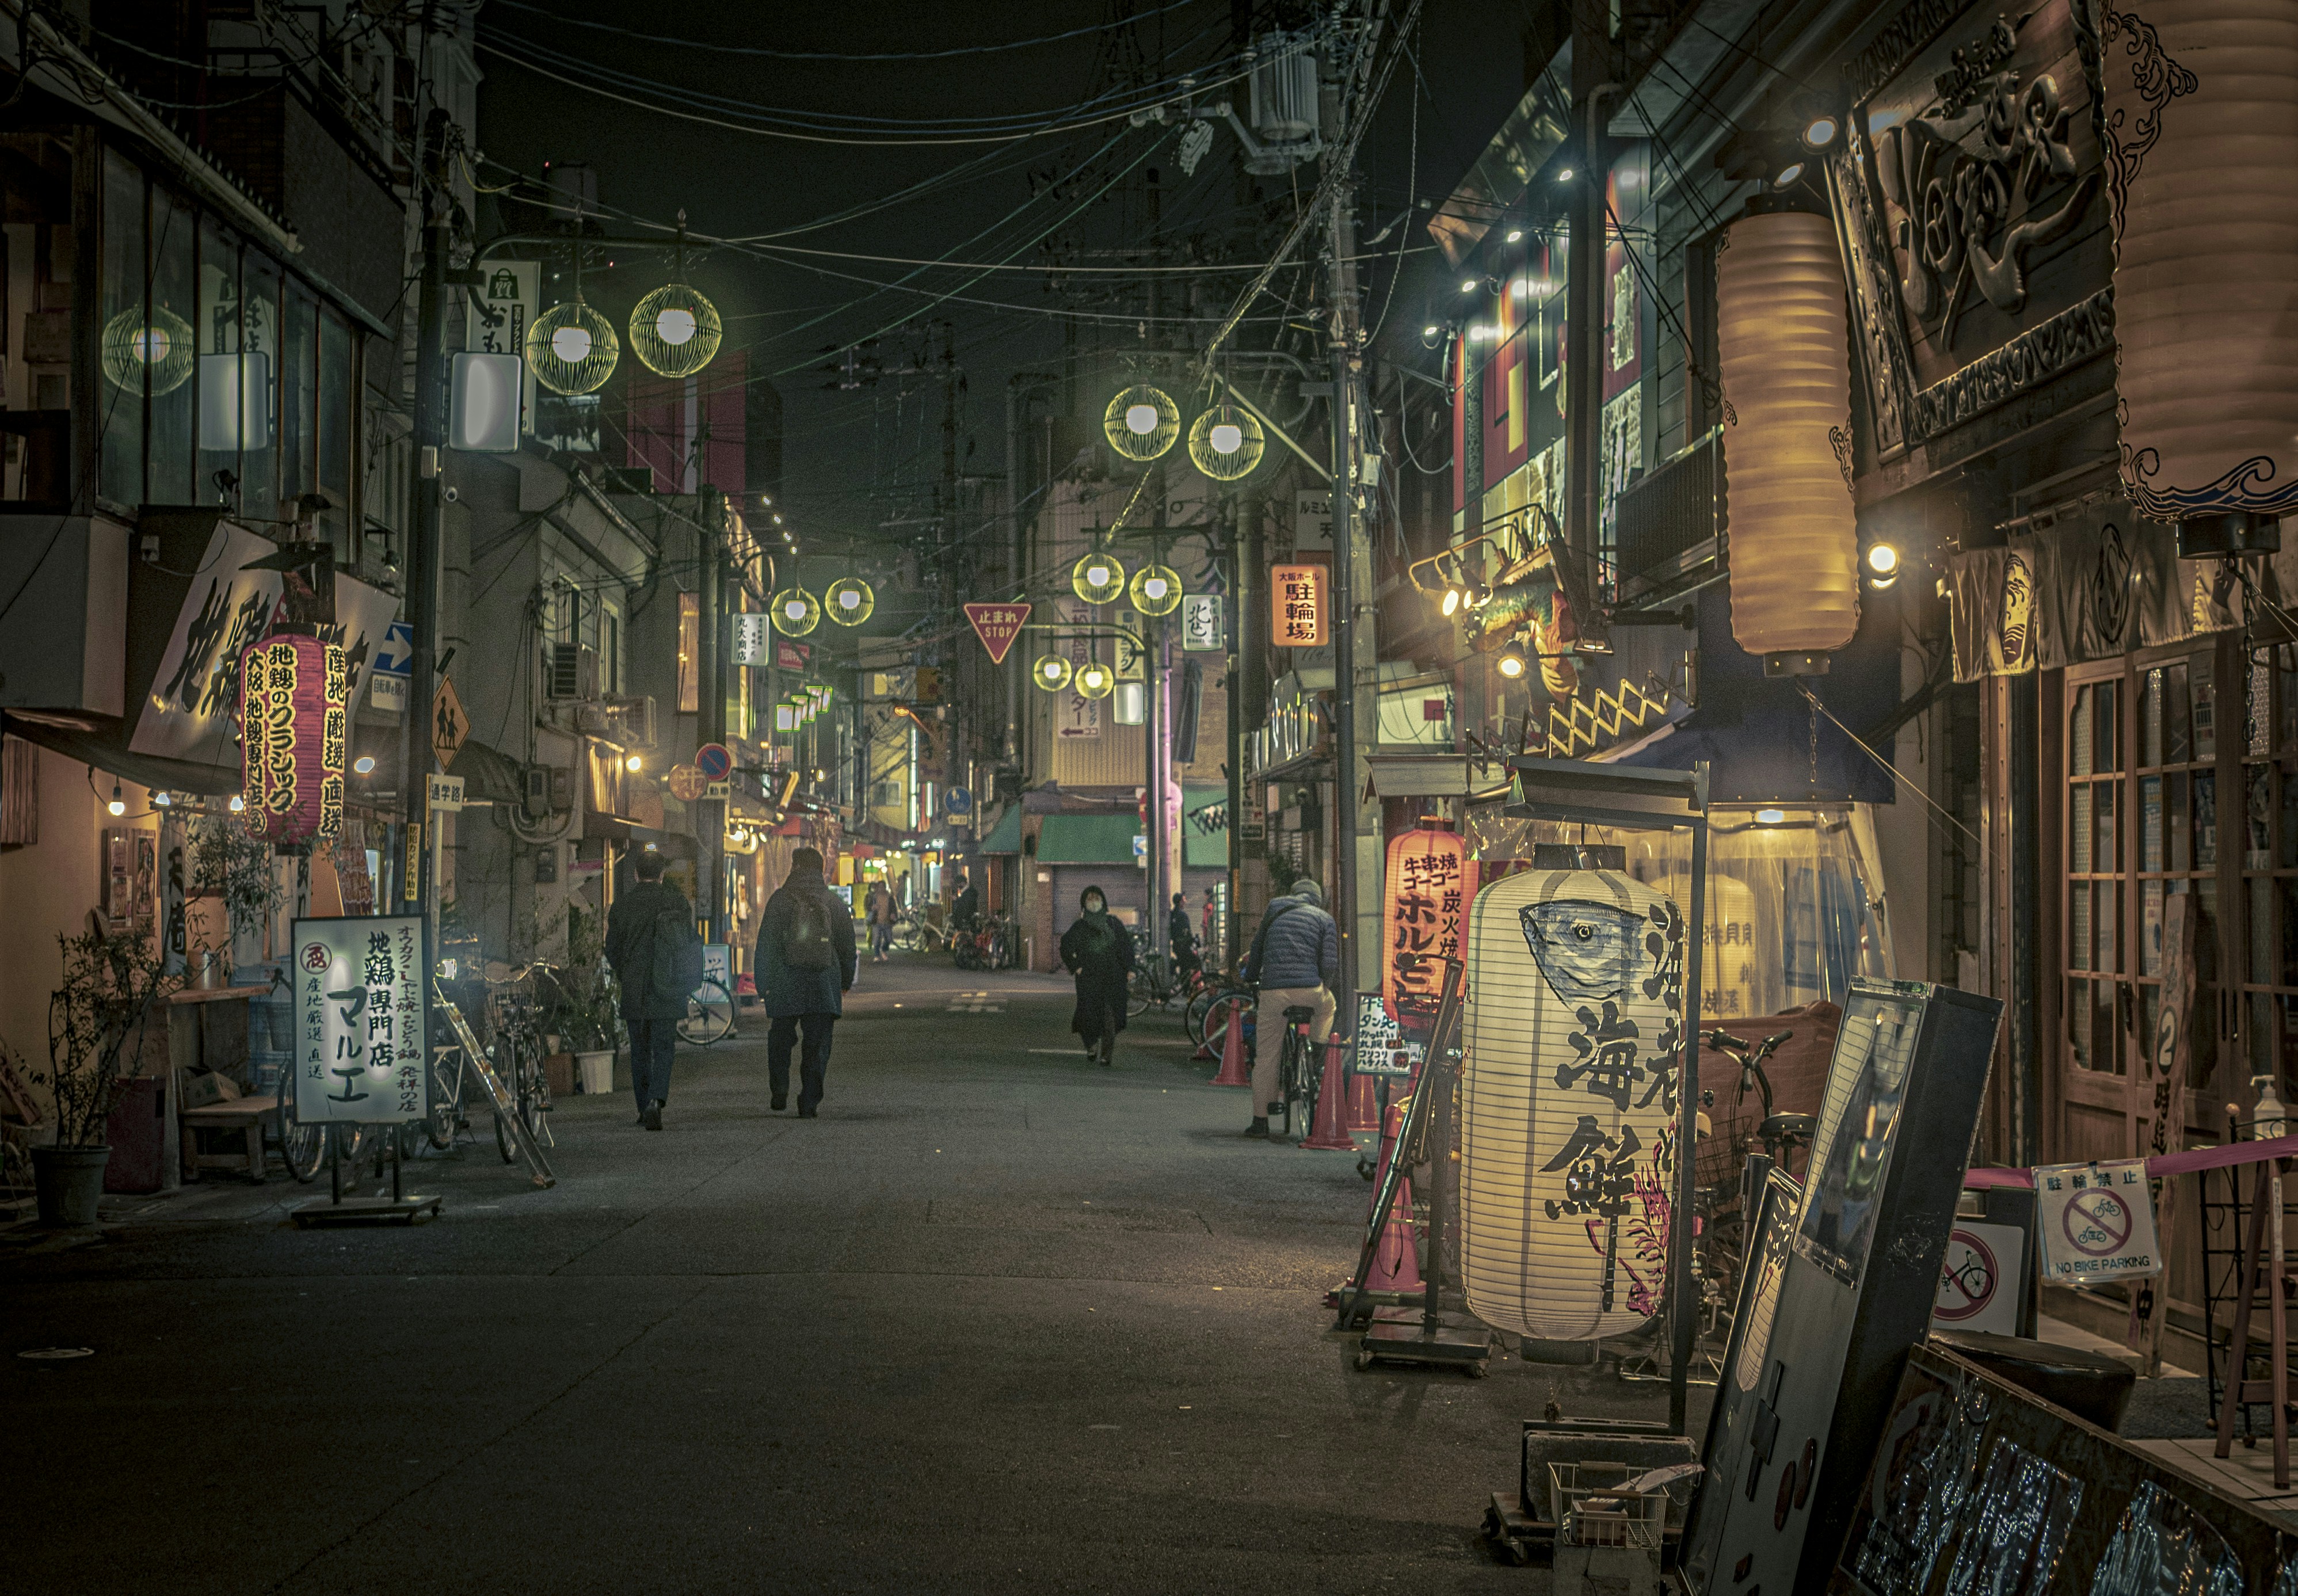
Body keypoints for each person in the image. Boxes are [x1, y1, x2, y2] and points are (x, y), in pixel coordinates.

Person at [754, 845, 858, 1117]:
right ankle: (809, 1100)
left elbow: (766, 943)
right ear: (820, 869)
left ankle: (779, 1090)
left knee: (780, 1038)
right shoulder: (833, 902)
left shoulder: (780, 900)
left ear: (795, 867)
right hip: (823, 983)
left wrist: (762, 983)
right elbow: (847, 947)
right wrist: (844, 982)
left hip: (784, 982)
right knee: (818, 1044)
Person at [1238, 876, 1339, 1140]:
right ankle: (1315, 1050)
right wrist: (1324, 986)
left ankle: (1260, 1121)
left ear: (1293, 894)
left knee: (1267, 1056)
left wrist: (1250, 977)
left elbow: (1257, 949)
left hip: (1274, 992)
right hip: (1310, 989)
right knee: (1329, 1007)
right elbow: (1329, 963)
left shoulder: (1274, 909)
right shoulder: (1324, 918)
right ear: (1318, 900)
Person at [604, 850, 698, 1132]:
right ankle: (657, 1100)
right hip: (667, 986)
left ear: (635, 874)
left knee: (639, 1051)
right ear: (662, 875)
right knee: (664, 1047)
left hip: (634, 987)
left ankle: (643, 1106)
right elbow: (688, 945)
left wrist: (625, 972)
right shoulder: (676, 902)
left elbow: (612, 949)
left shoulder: (622, 905)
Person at [1059, 886, 1133, 1066]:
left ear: (1103, 901)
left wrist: (1130, 969)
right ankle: (1091, 1045)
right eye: (1089, 899)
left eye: (1097, 898)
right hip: (1089, 979)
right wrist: (1076, 967)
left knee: (1110, 1016)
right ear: (1084, 904)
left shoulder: (1113, 924)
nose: (1094, 902)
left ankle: (1107, 1054)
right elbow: (1066, 947)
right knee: (1088, 1014)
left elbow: (1125, 947)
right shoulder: (1080, 927)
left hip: (1112, 977)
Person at [1168, 892, 1200, 981]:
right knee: (1188, 966)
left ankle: (1182, 983)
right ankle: (1185, 987)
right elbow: (1187, 932)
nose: (1186, 901)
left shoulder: (1172, 914)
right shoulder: (1182, 915)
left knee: (1183, 966)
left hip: (1177, 945)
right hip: (1184, 946)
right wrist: (1193, 941)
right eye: (1184, 899)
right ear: (1180, 902)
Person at [864, 879, 894, 962]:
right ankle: (877, 955)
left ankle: (884, 949)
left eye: (883, 887)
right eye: (879, 887)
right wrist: (872, 907)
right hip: (877, 921)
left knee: (888, 939)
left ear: (885, 887)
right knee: (877, 939)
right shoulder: (874, 897)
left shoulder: (890, 897)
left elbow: (893, 908)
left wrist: (893, 915)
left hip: (887, 921)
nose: (881, 888)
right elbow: (868, 906)